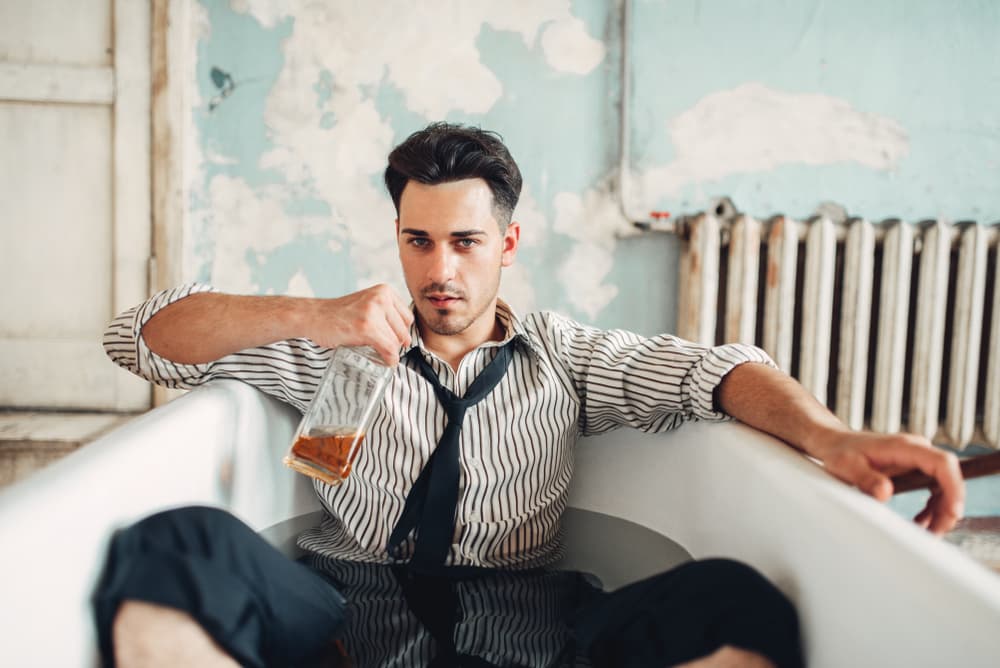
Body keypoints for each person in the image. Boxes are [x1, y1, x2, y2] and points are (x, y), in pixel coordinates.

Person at [99, 122, 964, 667]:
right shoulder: (333, 350)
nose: (441, 270)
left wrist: (829, 438)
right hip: (339, 610)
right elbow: (135, 338)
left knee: (730, 597)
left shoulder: (567, 362)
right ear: (396, 239)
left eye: (466, 242)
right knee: (176, 546)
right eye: (419, 241)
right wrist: (311, 313)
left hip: (532, 625)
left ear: (508, 242)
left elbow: (716, 370)